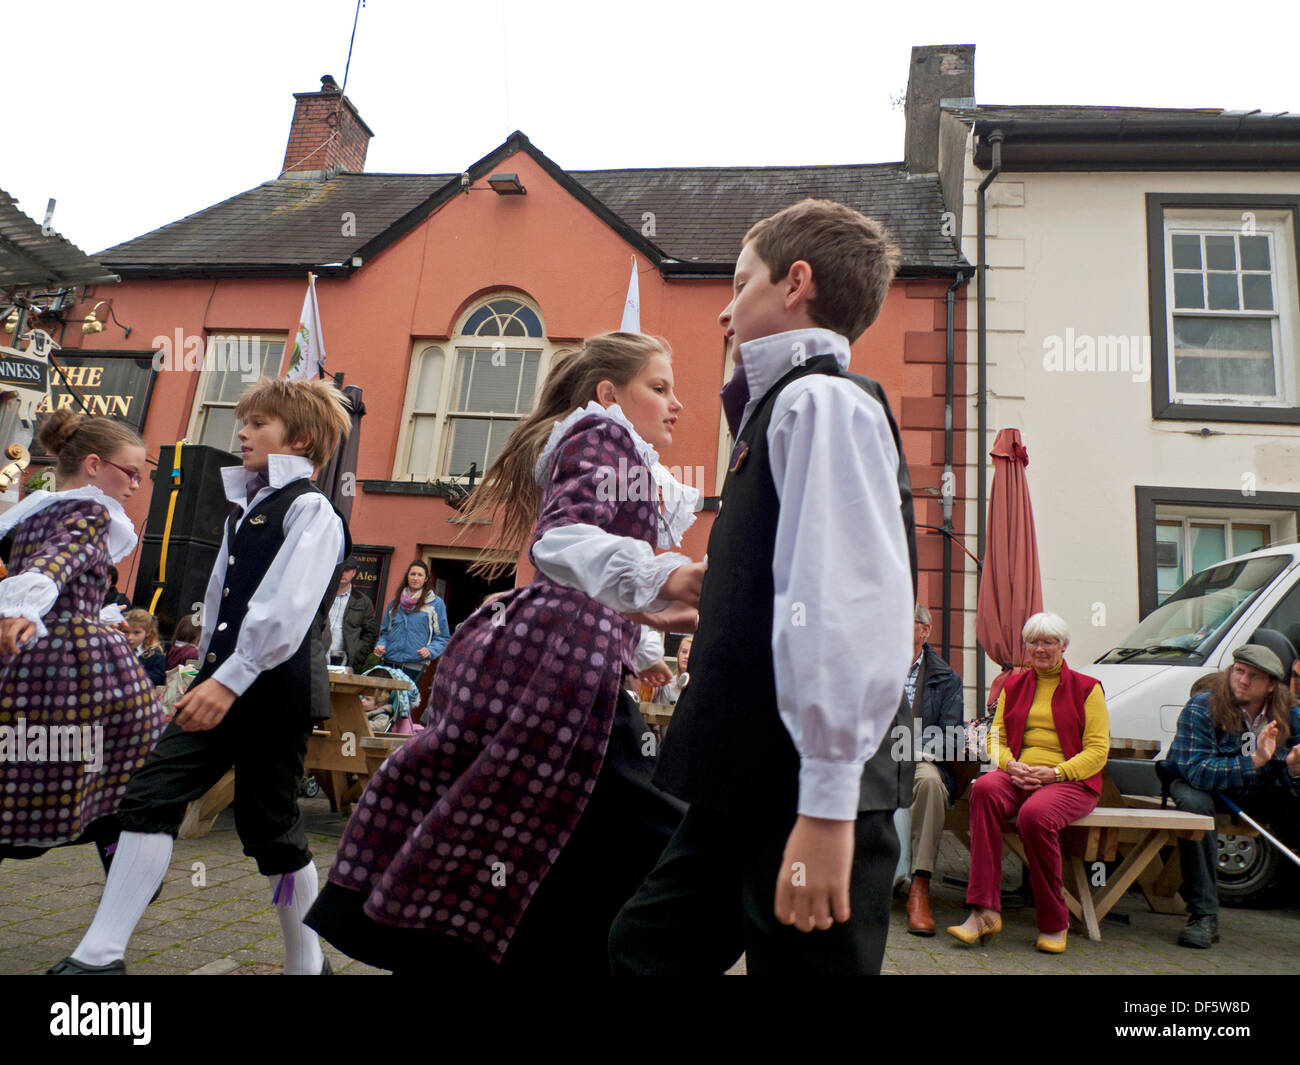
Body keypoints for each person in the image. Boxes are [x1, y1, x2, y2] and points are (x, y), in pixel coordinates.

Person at [306, 331, 702, 973]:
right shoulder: (602, 435)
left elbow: (591, 569)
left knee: (548, 822)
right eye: (659, 387)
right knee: (666, 840)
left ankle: (491, 942)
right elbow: (562, 538)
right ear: (609, 395)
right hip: (560, 669)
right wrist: (667, 577)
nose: (676, 404)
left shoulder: (623, 457)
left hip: (572, 663)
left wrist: (645, 630)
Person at [610, 198, 916, 976]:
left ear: (796, 283)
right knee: (641, 951)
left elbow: (849, 605)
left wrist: (826, 805)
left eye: (739, 282)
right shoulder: (778, 408)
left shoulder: (823, 401)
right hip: (736, 785)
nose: (723, 308)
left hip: (798, 793)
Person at [49, 376, 351, 975]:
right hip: (220, 682)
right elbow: (218, 605)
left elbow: (285, 612)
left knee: (274, 834)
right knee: (150, 796)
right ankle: (101, 955)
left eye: (259, 423)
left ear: (303, 437)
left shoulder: (313, 509)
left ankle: (305, 960)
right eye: (245, 421)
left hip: (272, 693)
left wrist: (229, 680)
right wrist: (205, 671)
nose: (242, 432)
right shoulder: (245, 509)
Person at [0, 411, 166, 877]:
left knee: (32, 757)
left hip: (29, 651)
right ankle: (122, 858)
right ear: (93, 465)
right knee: (137, 754)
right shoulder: (90, 511)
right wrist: (24, 604)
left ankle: (115, 853)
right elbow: (61, 557)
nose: (135, 484)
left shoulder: (38, 510)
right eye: (130, 473)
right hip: (74, 658)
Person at [947, 611, 1109, 954]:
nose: (1040, 648)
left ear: (1063, 646)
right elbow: (996, 737)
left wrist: (1057, 773)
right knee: (984, 789)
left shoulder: (1087, 688)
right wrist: (1010, 765)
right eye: (1033, 642)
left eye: (1048, 641)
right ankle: (983, 910)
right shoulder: (1014, 685)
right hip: (1020, 773)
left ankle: (1054, 920)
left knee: (1034, 816)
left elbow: (1098, 750)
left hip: (1071, 780)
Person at [1163, 644, 1300, 949]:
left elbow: (1288, 775)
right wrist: (1252, 762)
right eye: (1239, 671)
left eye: (1254, 676)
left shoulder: (1289, 714)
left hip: (1255, 789)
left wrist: (1294, 771)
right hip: (1197, 783)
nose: (1243, 680)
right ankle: (1203, 916)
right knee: (1196, 808)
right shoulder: (1202, 706)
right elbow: (1197, 770)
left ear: (1270, 687)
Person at [901, 603, 965, 936]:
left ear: (925, 631)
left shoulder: (946, 678)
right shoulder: (874, 665)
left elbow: (952, 736)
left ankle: (920, 888)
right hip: (873, 756)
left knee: (930, 784)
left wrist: (911, 749)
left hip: (920, 759)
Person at [373, 559, 449, 688]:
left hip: (415, 665)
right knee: (384, 703)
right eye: (412, 574)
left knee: (404, 704)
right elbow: (385, 632)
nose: (415, 578)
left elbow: (443, 637)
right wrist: (381, 645)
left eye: (420, 575)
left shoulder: (436, 604)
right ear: (407, 576)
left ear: (426, 579)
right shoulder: (394, 603)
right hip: (389, 662)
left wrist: (431, 650)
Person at [327, 555, 378, 672]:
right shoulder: (322, 595)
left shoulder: (363, 601)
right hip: (317, 657)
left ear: (354, 572)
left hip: (344, 661)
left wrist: (357, 656)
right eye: (340, 569)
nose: (343, 573)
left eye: (347, 570)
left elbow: (370, 634)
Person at [124, 608, 167, 687]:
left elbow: (157, 678)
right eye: (126, 632)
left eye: (136, 632)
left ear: (148, 632)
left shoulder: (155, 655)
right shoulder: (120, 648)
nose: (129, 637)